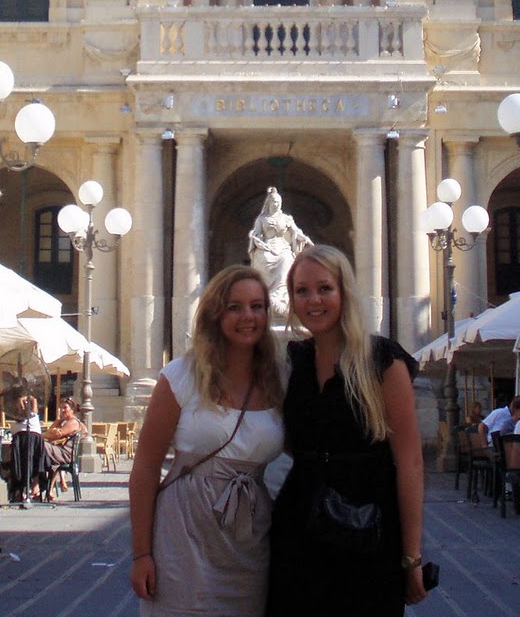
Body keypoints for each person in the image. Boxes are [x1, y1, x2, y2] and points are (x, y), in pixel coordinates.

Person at [268, 246, 426, 614]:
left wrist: (411, 557)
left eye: (324, 288)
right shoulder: (296, 362)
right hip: (299, 525)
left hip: (366, 529)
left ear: (344, 292)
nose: (313, 300)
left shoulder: (382, 361)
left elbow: (411, 464)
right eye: (301, 291)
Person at [128, 265, 285, 615]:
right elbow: (145, 467)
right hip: (184, 531)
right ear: (215, 314)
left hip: (249, 536)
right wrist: (141, 554)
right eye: (235, 307)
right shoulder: (181, 376)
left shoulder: (280, 379)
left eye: (257, 306)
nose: (248, 316)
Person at [247, 187, 314, 321]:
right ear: (269, 203)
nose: (276, 204)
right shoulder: (262, 219)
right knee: (263, 257)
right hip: (266, 248)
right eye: (274, 202)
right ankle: (271, 300)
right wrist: (255, 237)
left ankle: (279, 299)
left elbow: (296, 232)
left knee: (286, 260)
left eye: (278, 202)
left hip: (282, 248)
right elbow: (257, 234)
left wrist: (304, 238)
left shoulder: (286, 218)